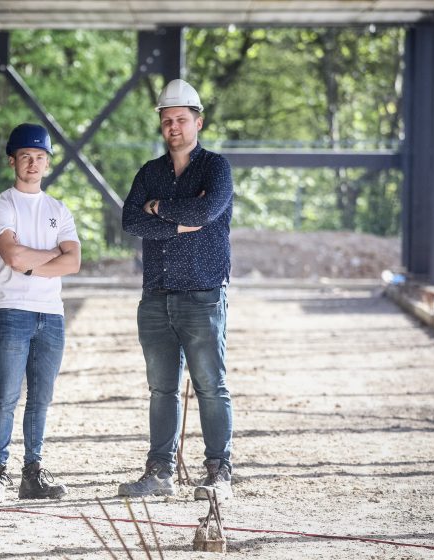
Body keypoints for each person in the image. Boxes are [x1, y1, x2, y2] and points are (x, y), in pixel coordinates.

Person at [119, 79, 235, 502]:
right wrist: (177, 219)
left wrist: (160, 209)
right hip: (156, 294)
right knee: (161, 388)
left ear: (198, 122)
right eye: (167, 120)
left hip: (203, 293)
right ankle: (158, 472)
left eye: (181, 119)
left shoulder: (216, 168)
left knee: (210, 385)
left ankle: (219, 470)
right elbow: (131, 221)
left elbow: (206, 210)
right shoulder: (149, 172)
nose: (174, 127)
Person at [0, 123, 81, 503]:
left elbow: (74, 263)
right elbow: (11, 254)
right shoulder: (1, 205)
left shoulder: (58, 209)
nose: (33, 164)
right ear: (13, 161)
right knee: (6, 397)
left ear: (47, 162)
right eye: (26, 157)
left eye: (40, 157)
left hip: (51, 315)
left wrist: (30, 261)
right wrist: (51, 255)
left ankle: (32, 474)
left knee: (41, 398)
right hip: (12, 311)